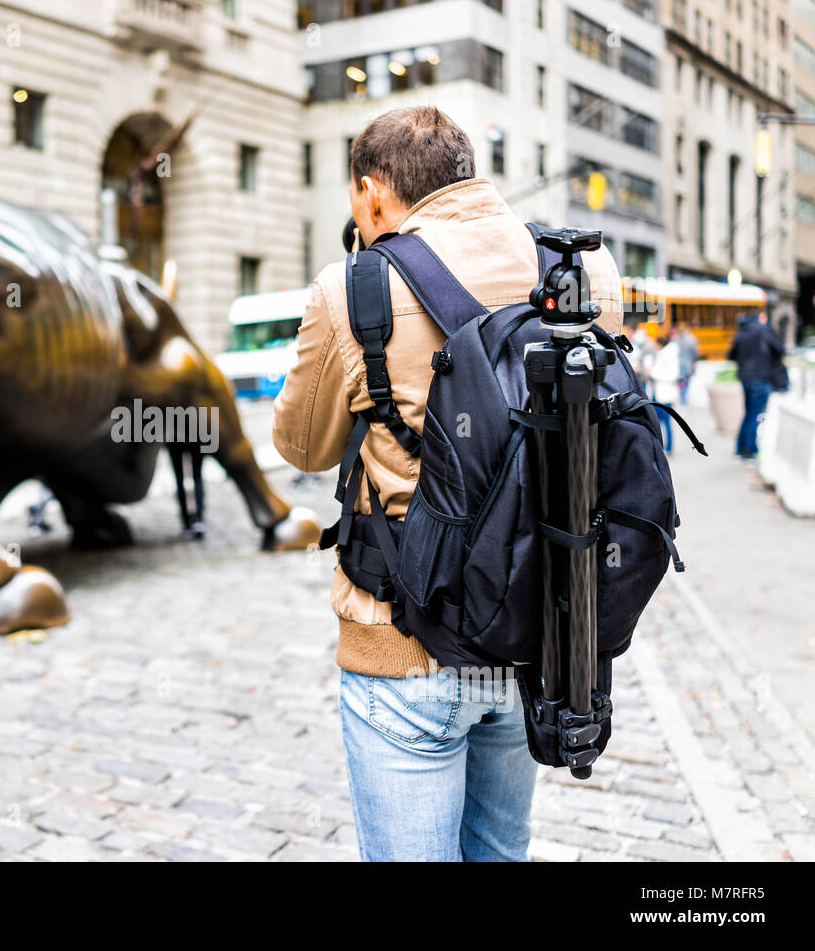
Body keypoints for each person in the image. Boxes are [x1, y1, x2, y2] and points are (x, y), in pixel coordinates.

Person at [272, 107, 623, 862]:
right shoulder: (584, 270)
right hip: (538, 634)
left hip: (405, 643)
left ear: (370, 194)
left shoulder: (353, 286)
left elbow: (302, 447)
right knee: (500, 851)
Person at [727, 311, 785, 459]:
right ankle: (750, 449)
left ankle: (740, 448)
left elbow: (731, 355)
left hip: (745, 378)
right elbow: (780, 349)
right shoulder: (763, 330)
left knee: (748, 413)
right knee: (755, 414)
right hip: (760, 377)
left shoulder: (743, 332)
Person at [649, 333, 682, 453]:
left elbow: (673, 375)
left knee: (666, 422)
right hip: (659, 393)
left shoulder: (669, 355)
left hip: (665, 394)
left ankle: (668, 447)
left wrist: (653, 373)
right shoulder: (664, 354)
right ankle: (661, 446)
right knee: (657, 421)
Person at [675, 325, 699, 405]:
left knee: (681, 383)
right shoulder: (691, 339)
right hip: (688, 364)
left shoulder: (676, 339)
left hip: (679, 364)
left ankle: (683, 400)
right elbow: (695, 353)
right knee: (686, 383)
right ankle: (683, 400)